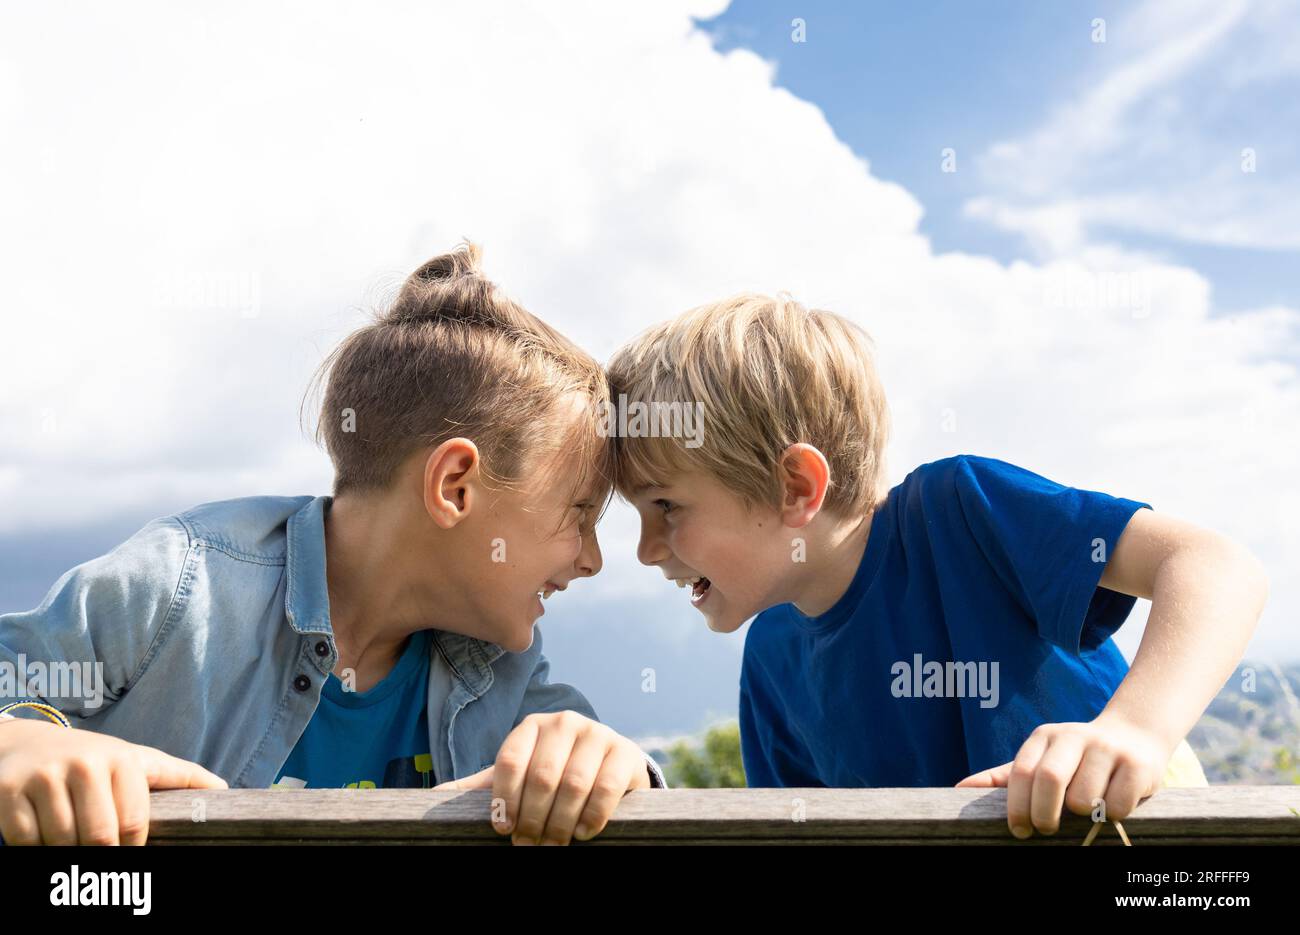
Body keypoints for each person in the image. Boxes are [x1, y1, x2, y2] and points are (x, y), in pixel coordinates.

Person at [0, 242, 665, 847]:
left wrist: (608, 759)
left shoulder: (502, 668)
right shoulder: (180, 585)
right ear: (455, 486)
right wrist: (19, 740)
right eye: (579, 513)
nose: (591, 558)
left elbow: (609, 766)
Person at [606, 291, 1268, 839]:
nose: (645, 549)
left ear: (796, 488)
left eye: (666, 505)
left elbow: (1217, 567)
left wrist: (1132, 731)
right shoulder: (770, 661)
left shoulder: (959, 511)